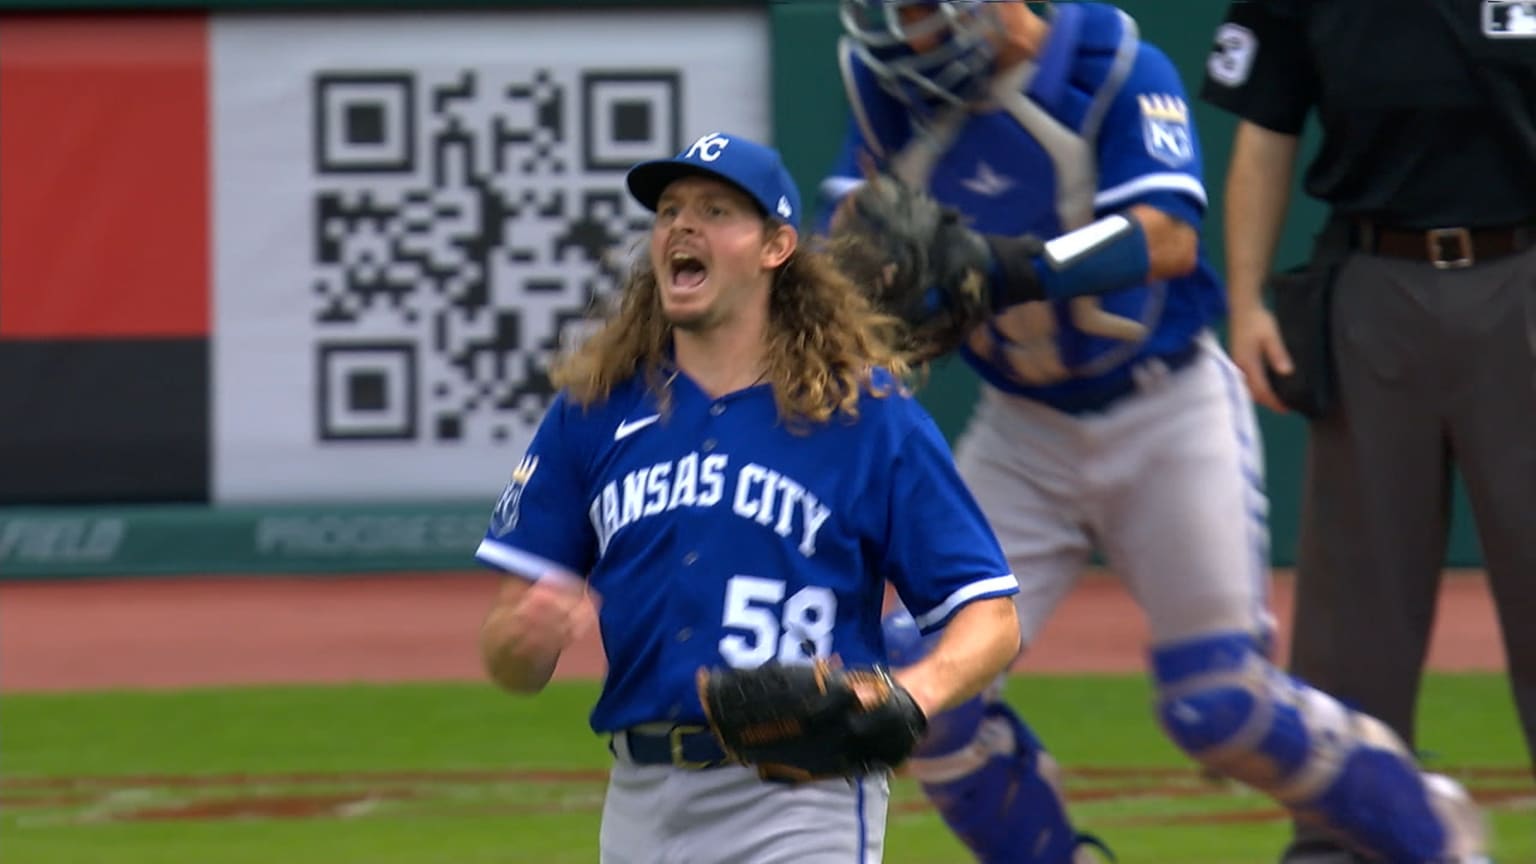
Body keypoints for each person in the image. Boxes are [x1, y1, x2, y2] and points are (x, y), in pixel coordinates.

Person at [827, 2, 1491, 862]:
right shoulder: (887, 95)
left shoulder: (1104, 60)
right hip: (1022, 429)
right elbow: (841, 242)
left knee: (1221, 707)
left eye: (918, 11)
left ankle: (1434, 836)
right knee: (922, 693)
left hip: (1164, 409)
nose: (903, 36)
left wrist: (1003, 267)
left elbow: (1169, 236)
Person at [475, 130, 1024, 864]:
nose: (682, 227)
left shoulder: (866, 416)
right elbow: (512, 661)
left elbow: (990, 616)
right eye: (669, 210)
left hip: (801, 798)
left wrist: (914, 695)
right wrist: (525, 637)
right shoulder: (594, 411)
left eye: (716, 210)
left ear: (776, 247)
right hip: (639, 799)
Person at [1200, 0, 1536, 861]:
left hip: (1525, 276)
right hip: (1375, 285)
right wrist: (1245, 303)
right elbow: (1267, 130)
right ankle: (1337, 838)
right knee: (1355, 614)